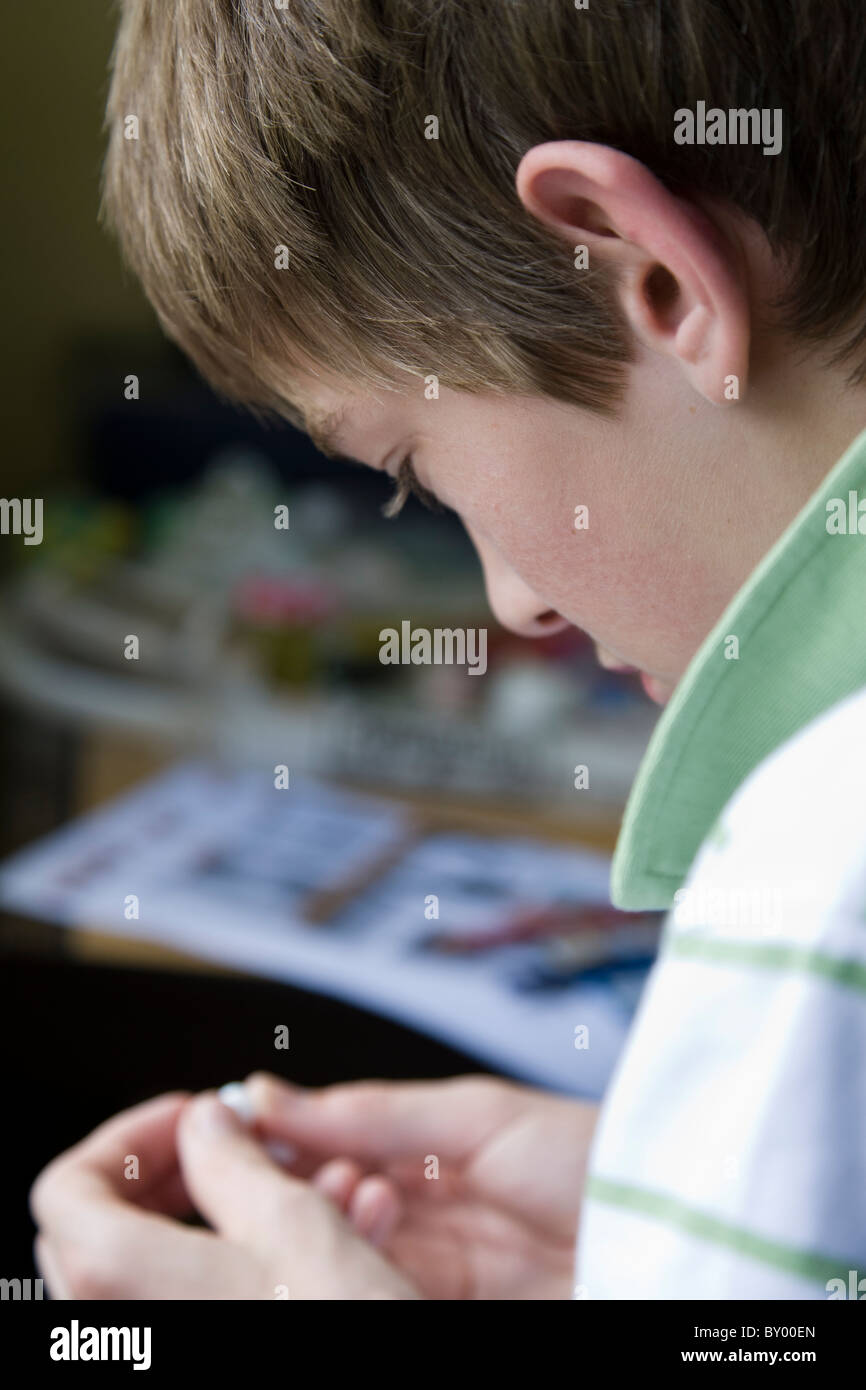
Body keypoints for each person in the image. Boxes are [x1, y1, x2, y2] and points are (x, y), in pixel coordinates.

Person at [29, 0, 866, 1298]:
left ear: (642, 277)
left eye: (417, 471)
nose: (515, 603)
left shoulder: (817, 874)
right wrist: (662, 1215)